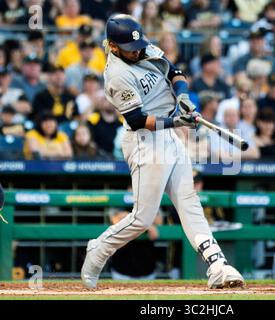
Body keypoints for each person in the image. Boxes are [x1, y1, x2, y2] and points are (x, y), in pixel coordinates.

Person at [81, 14, 244, 290]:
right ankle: (99, 248)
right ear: (114, 46)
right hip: (145, 141)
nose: (137, 52)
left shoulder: (142, 47)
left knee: (189, 201)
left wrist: (183, 97)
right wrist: (177, 121)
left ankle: (218, 265)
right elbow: (135, 120)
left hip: (168, 135)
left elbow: (174, 72)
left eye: (138, 46)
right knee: (143, 218)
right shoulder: (117, 75)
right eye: (130, 49)